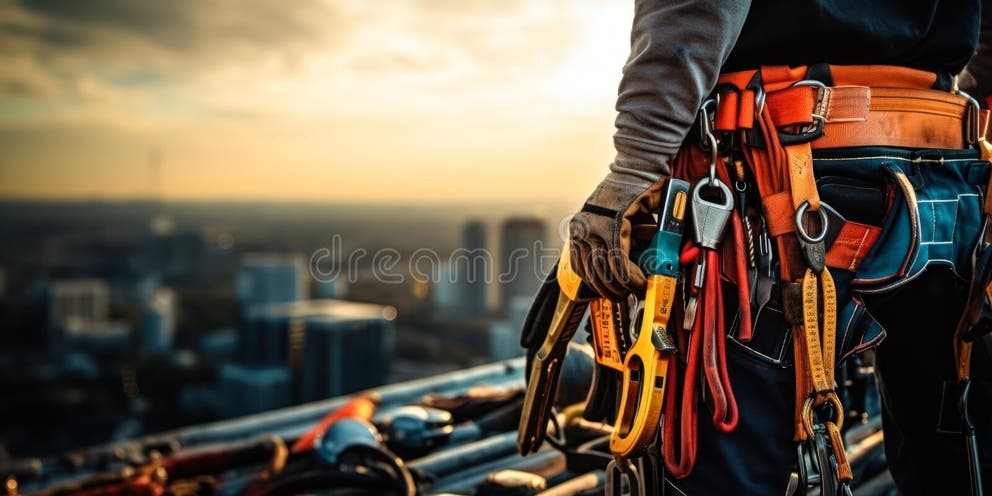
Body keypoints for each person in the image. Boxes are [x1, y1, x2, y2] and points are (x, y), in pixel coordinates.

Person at [567, 1, 992, 494]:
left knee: (725, 470)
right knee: (952, 446)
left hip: (782, 175)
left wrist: (637, 162)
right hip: (947, 181)